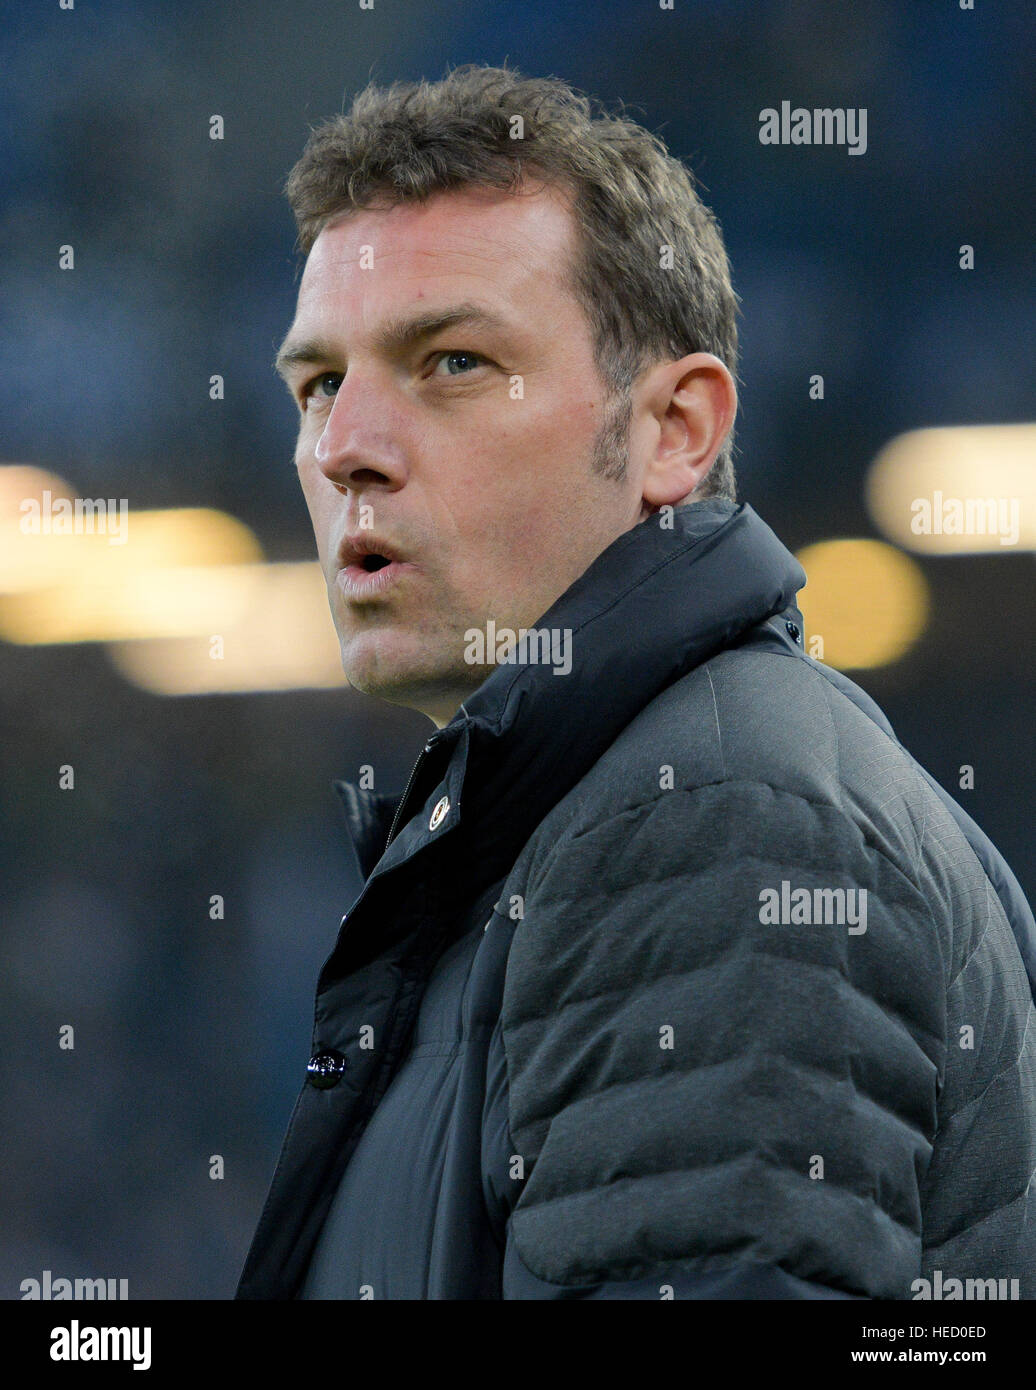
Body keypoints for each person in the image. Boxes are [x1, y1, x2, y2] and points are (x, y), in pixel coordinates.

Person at [236, 63, 1036, 1300]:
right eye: (320, 385)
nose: (344, 448)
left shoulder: (711, 814)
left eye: (451, 361)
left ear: (674, 431)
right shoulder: (568, 823)